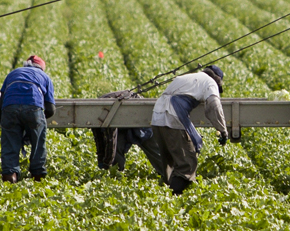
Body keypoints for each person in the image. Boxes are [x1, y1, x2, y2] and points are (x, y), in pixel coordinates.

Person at [148, 65, 228, 194]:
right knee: (188, 164)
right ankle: (172, 199)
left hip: (157, 117)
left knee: (170, 163)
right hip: (172, 117)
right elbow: (214, 104)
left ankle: (163, 196)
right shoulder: (210, 82)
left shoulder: (188, 77)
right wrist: (222, 130)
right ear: (217, 80)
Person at [0, 55, 55, 183]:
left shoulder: (13, 74)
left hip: (9, 108)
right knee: (38, 143)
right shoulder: (44, 77)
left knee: (9, 145)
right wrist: (36, 122)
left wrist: (8, 125)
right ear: (41, 68)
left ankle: (10, 177)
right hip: (33, 108)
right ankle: (37, 176)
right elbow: (51, 109)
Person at [90, 90, 156, 171]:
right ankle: (116, 173)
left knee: (152, 146)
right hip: (122, 117)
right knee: (117, 150)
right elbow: (99, 141)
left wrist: (106, 164)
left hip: (137, 111)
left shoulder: (105, 115)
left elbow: (111, 141)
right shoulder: (94, 119)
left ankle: (169, 177)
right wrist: (101, 160)